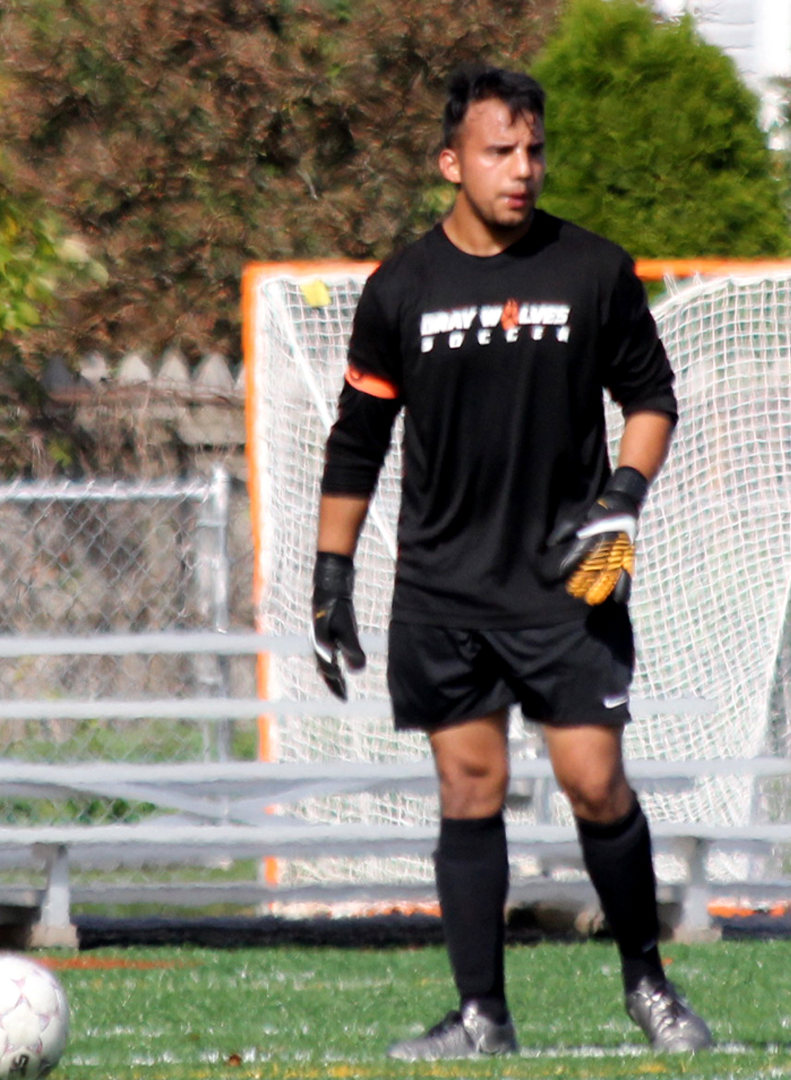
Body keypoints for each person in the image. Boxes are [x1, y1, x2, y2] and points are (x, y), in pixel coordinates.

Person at [309, 64, 713, 1060]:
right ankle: (483, 1014)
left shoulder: (594, 270)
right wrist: (330, 578)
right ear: (452, 162)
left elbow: (652, 399)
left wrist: (624, 498)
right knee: (470, 789)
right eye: (500, 151)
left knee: (595, 785)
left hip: (565, 582)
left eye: (533, 150)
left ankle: (647, 982)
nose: (521, 170)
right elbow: (356, 441)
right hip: (443, 588)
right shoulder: (401, 287)